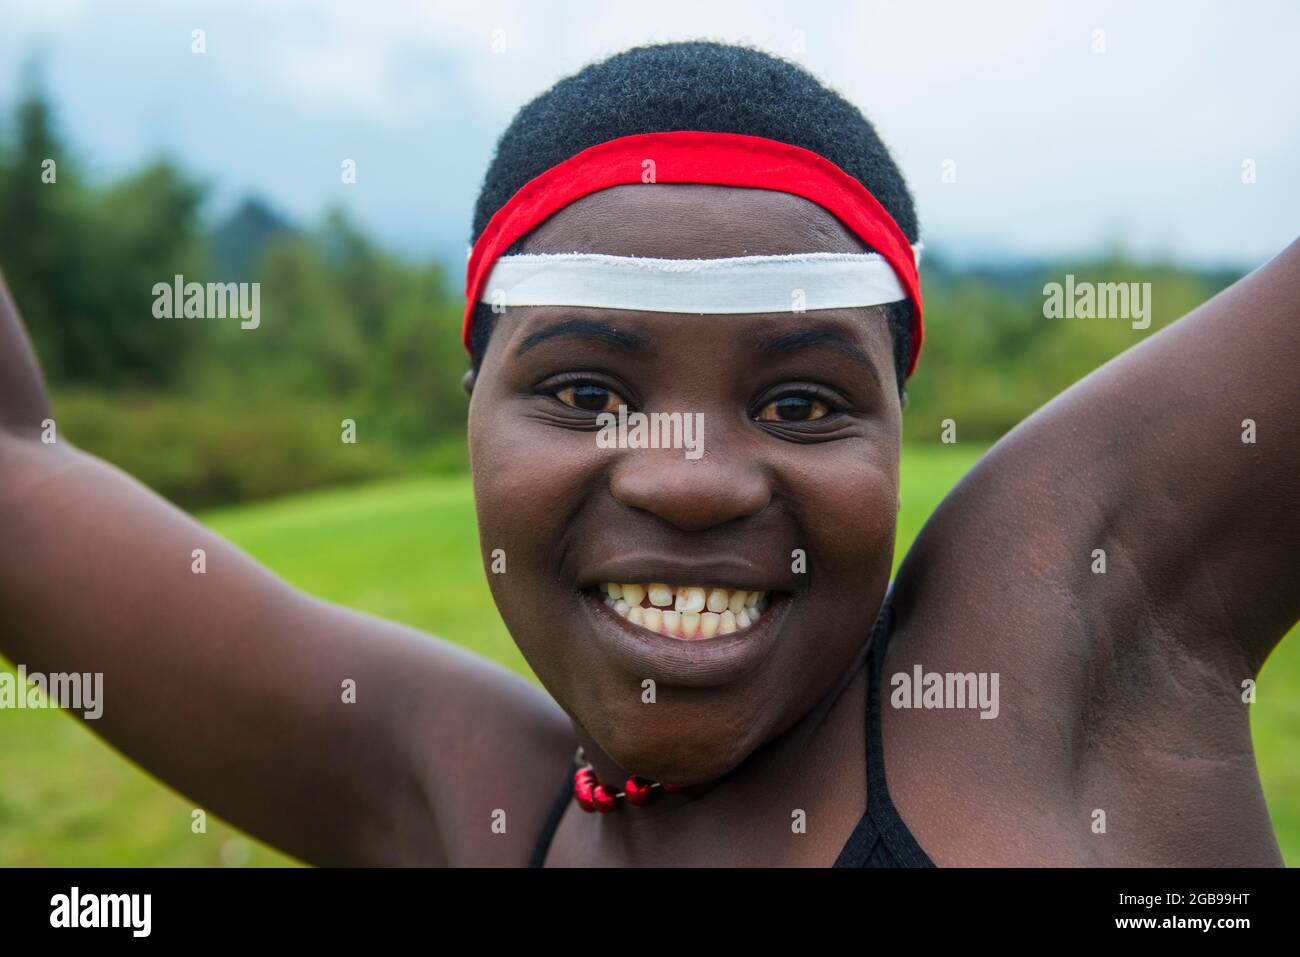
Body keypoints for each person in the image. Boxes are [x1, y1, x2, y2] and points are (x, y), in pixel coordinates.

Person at [0, 41, 1295, 867]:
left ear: (900, 427)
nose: (688, 478)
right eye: (583, 389)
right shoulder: (471, 803)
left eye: (799, 404)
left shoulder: (1044, 661)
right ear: (468, 411)